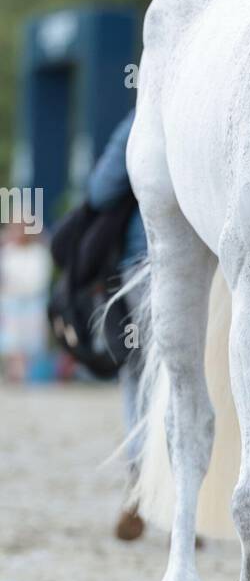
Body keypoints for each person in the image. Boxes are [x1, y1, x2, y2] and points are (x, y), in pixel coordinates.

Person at [85, 107, 148, 539]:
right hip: (217, 271)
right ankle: (193, 500)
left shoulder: (141, 118)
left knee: (139, 376)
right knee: (199, 379)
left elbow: (100, 191)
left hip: (145, 265)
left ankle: (141, 479)